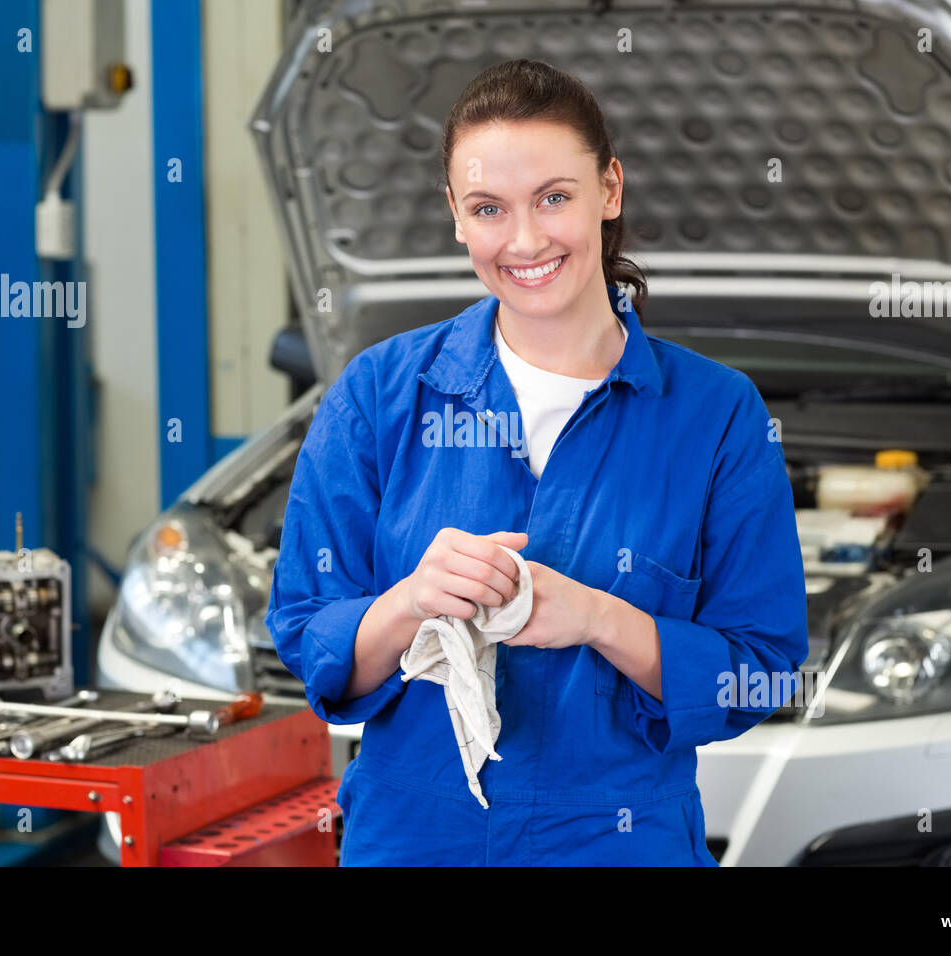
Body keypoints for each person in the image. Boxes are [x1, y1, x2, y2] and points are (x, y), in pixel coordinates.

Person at [264, 59, 808, 866]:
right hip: (414, 838)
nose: (524, 240)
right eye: (489, 208)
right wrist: (411, 601)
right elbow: (310, 634)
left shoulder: (717, 415)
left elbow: (761, 673)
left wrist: (599, 619)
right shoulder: (378, 395)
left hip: (618, 841)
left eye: (555, 197)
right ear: (456, 215)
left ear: (609, 189)